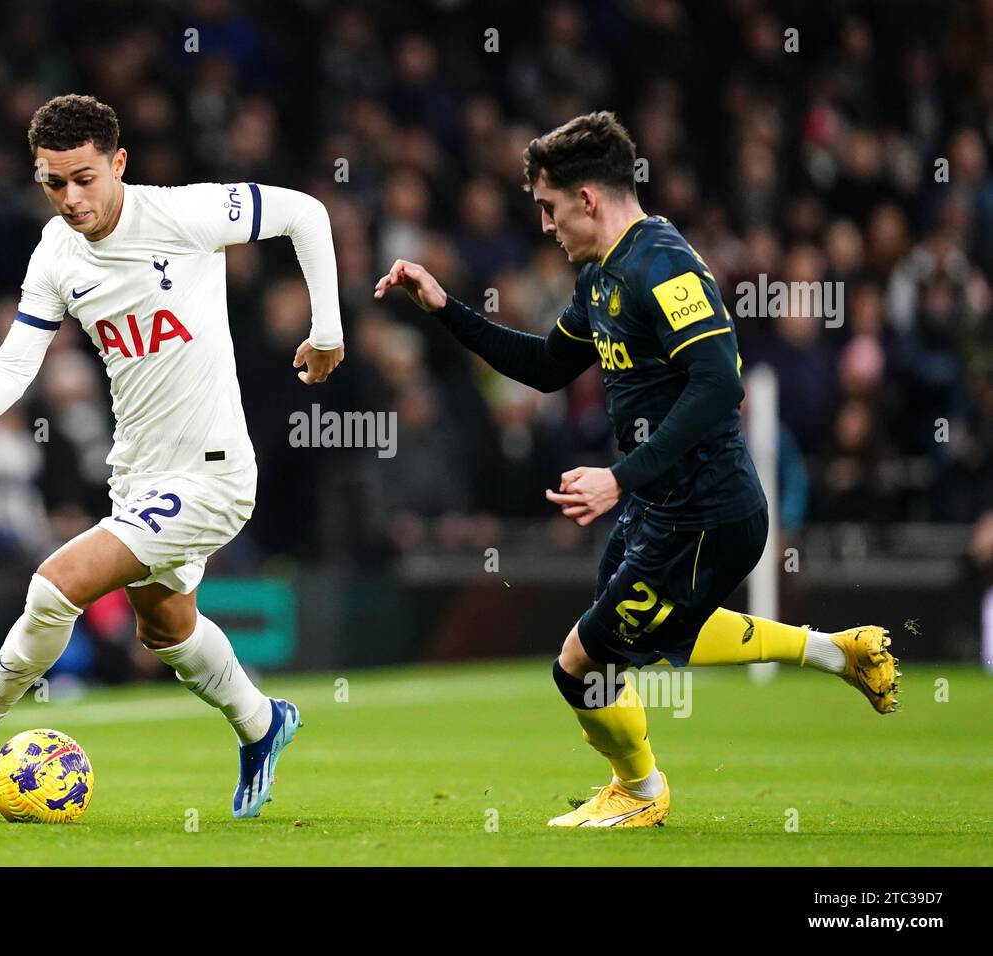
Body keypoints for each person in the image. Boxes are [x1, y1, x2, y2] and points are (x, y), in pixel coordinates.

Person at [374, 111, 898, 828]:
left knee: (580, 666)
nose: (546, 226)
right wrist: (444, 308)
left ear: (587, 199)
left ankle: (641, 794)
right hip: (664, 507)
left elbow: (718, 386)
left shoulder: (663, 265)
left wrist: (620, 476)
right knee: (649, 642)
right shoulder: (602, 278)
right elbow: (547, 367)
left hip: (706, 511)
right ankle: (837, 653)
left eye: (549, 208)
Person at [0, 94, 344, 819]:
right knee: (165, 628)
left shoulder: (185, 213)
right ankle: (261, 723)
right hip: (140, 475)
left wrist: (327, 330)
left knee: (58, 582)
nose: (71, 198)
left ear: (119, 163)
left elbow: (306, 212)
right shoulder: (56, 253)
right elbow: (12, 368)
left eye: (85, 178)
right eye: (54, 183)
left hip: (213, 473)